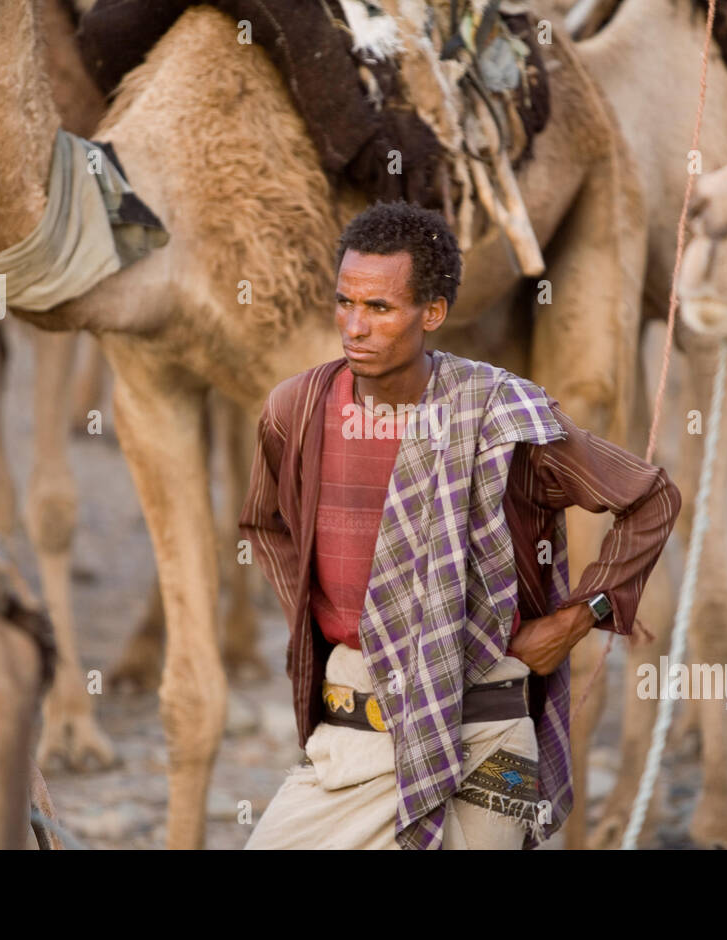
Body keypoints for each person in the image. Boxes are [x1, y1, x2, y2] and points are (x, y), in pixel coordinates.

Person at [238, 201, 680, 849]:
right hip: (352, 733)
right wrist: (326, 609)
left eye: (380, 309)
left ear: (433, 313)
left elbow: (650, 498)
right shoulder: (296, 409)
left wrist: (578, 616)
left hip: (484, 724)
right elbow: (263, 524)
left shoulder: (497, 413)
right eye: (344, 303)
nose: (354, 327)